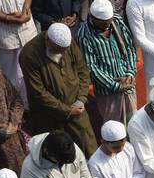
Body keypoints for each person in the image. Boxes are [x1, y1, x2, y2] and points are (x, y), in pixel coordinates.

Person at [21, 23, 98, 158]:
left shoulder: (68, 44)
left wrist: (81, 99)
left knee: (89, 150)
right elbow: (38, 92)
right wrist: (66, 111)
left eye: (64, 50)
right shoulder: (29, 54)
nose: (62, 53)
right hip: (48, 115)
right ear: (47, 40)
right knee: (55, 155)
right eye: (58, 50)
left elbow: (83, 72)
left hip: (76, 108)